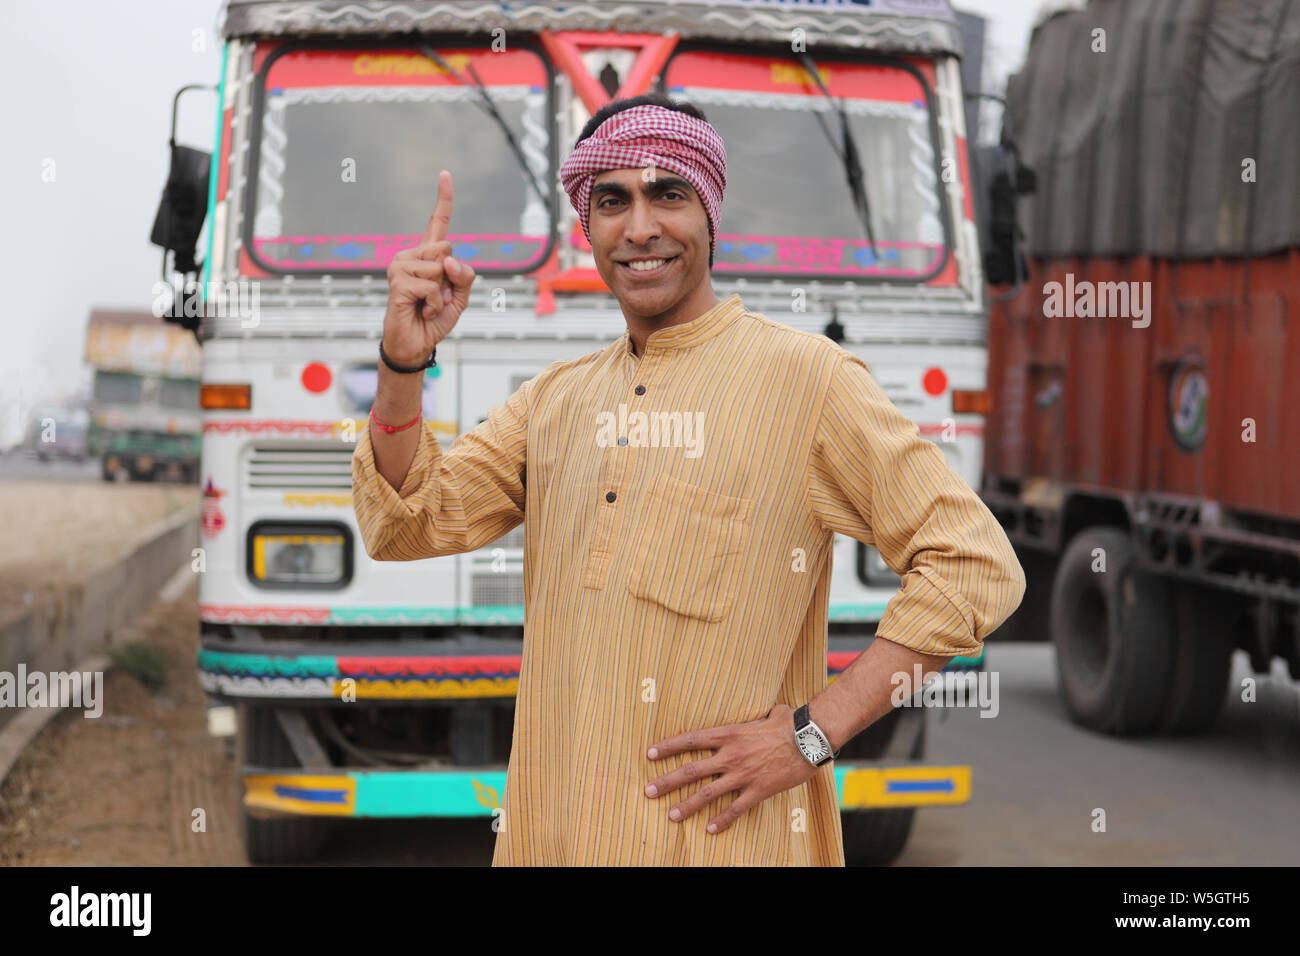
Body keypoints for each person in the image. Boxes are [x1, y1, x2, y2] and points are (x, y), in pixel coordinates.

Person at [351, 93, 1025, 866]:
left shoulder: (808, 382)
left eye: (667, 193)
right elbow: (405, 522)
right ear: (588, 229)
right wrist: (404, 361)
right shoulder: (555, 401)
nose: (640, 227)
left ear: (710, 217)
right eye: (612, 202)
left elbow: (974, 568)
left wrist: (812, 733)